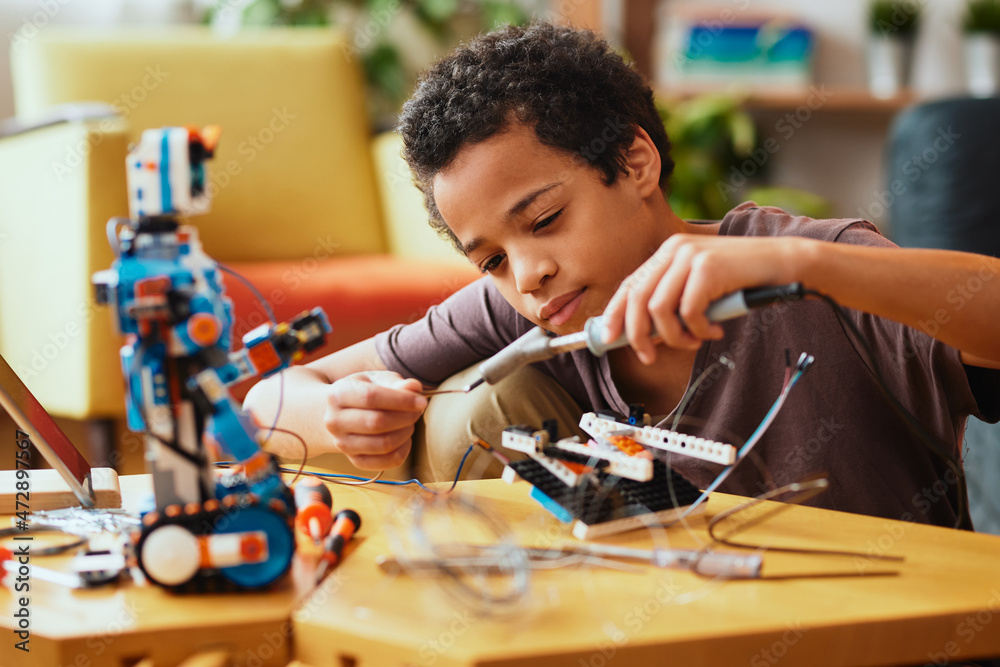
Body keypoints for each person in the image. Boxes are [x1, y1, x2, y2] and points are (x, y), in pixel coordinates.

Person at [244, 21, 1000, 529]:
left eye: (544, 221)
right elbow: (269, 397)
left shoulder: (806, 267)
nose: (529, 274)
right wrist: (340, 413)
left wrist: (806, 265)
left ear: (634, 162)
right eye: (492, 260)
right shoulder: (536, 309)